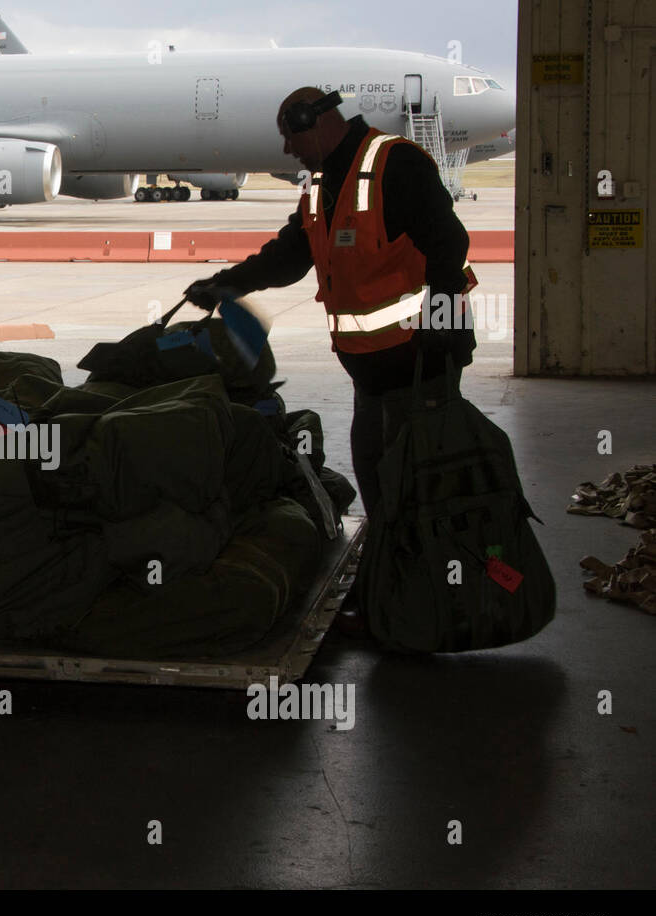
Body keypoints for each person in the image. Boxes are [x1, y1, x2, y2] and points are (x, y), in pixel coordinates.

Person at [185, 86, 478, 634]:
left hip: (418, 363)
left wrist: (442, 324)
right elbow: (290, 256)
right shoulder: (321, 187)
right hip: (370, 371)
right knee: (377, 479)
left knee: (415, 485)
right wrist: (225, 284)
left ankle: (432, 602)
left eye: (290, 138)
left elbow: (448, 243)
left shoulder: (394, 163)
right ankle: (393, 592)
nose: (289, 150)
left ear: (314, 123)